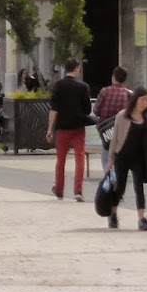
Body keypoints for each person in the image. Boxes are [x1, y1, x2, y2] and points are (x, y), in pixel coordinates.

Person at [103, 87, 147, 230]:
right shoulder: (122, 116)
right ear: (135, 99)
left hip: (138, 158)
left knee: (139, 187)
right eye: (142, 99)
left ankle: (141, 219)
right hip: (122, 156)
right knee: (120, 187)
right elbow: (115, 139)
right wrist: (110, 159)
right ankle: (113, 214)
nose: (145, 103)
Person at [45, 58, 91, 202]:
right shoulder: (83, 87)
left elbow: (54, 109)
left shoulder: (58, 86)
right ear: (76, 68)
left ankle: (59, 189)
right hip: (78, 127)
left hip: (62, 128)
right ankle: (78, 190)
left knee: (61, 160)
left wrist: (49, 129)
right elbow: (88, 110)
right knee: (80, 159)